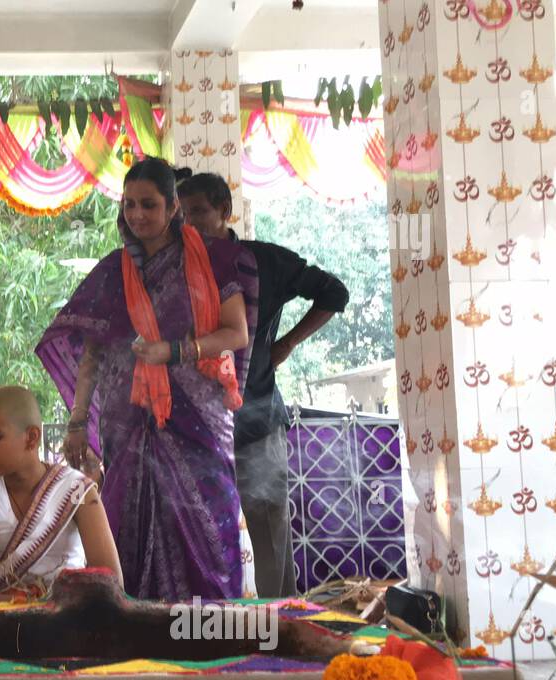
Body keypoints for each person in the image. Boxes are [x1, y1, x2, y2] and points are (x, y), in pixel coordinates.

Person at [35, 158, 259, 600]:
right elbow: (94, 350)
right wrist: (78, 420)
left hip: (196, 422)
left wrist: (173, 351)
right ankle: (134, 643)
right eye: (130, 204)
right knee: (126, 527)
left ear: (173, 206)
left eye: (149, 205)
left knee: (207, 529)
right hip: (128, 422)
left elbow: (235, 333)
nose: (137, 215)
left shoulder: (213, 258)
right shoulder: (114, 270)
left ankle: (208, 642)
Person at [178, 171, 349, 597]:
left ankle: (283, 626)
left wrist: (287, 342)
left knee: (270, 529)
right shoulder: (174, 270)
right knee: (198, 533)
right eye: (182, 215)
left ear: (225, 211)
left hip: (255, 419)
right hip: (193, 428)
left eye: (199, 211)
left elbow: (335, 293)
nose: (191, 224)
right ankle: (204, 632)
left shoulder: (265, 261)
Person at [0, 386, 123, 604]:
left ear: (31, 438)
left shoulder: (78, 491)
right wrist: (23, 608)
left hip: (65, 622)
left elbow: (111, 583)